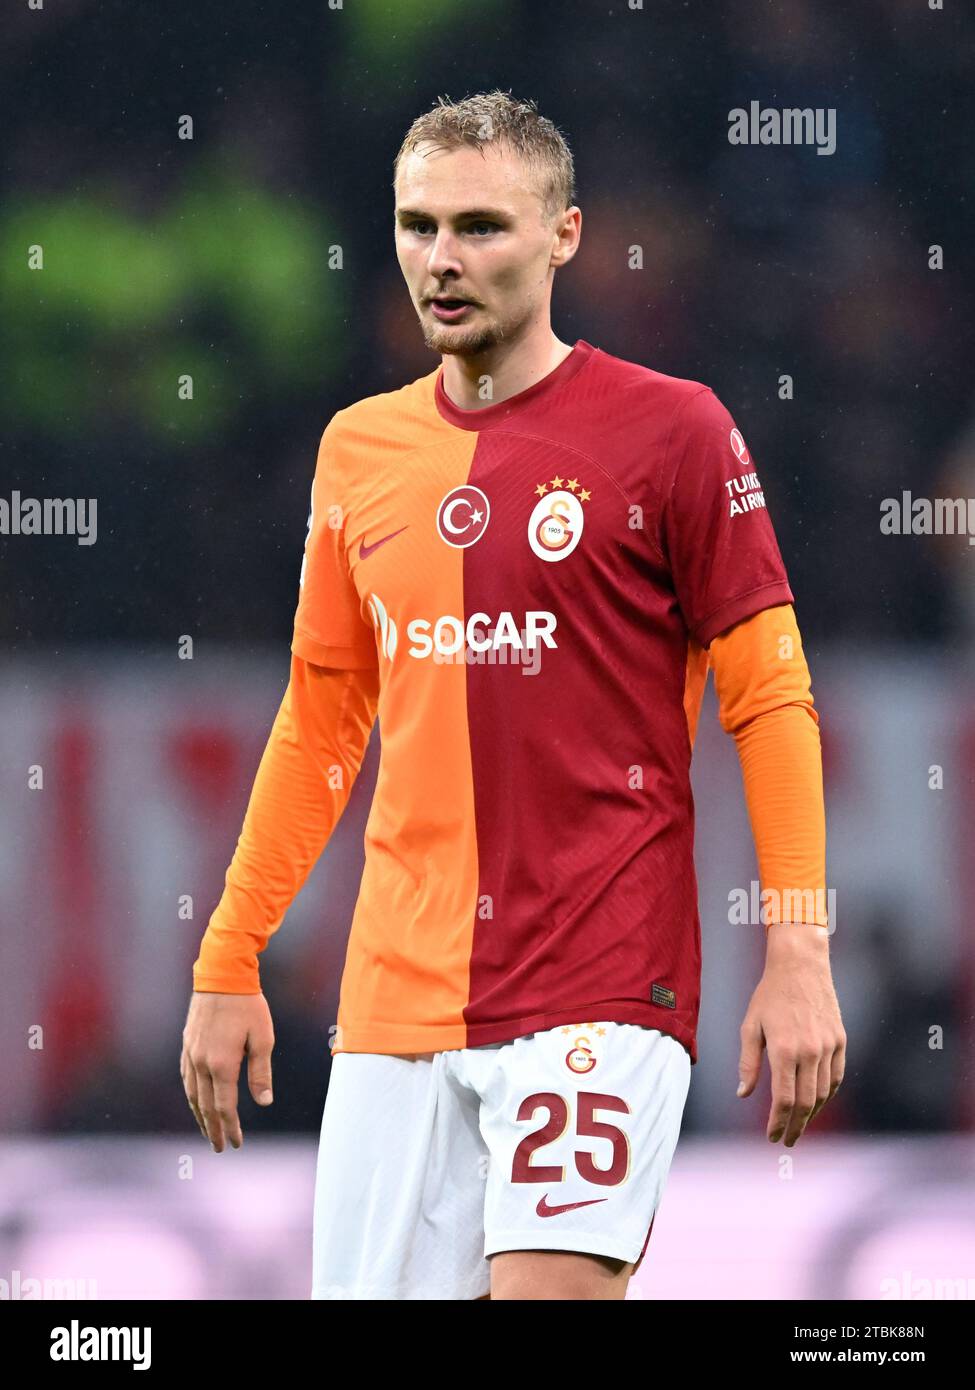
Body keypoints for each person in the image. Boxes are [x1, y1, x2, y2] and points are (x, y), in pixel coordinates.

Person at [180, 90, 846, 1302]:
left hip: (597, 979)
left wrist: (797, 945)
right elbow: (323, 716)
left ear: (566, 236)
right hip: (394, 1001)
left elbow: (772, 697)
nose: (443, 260)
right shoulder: (358, 452)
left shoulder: (673, 432)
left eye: (481, 225)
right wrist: (228, 958)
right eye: (418, 225)